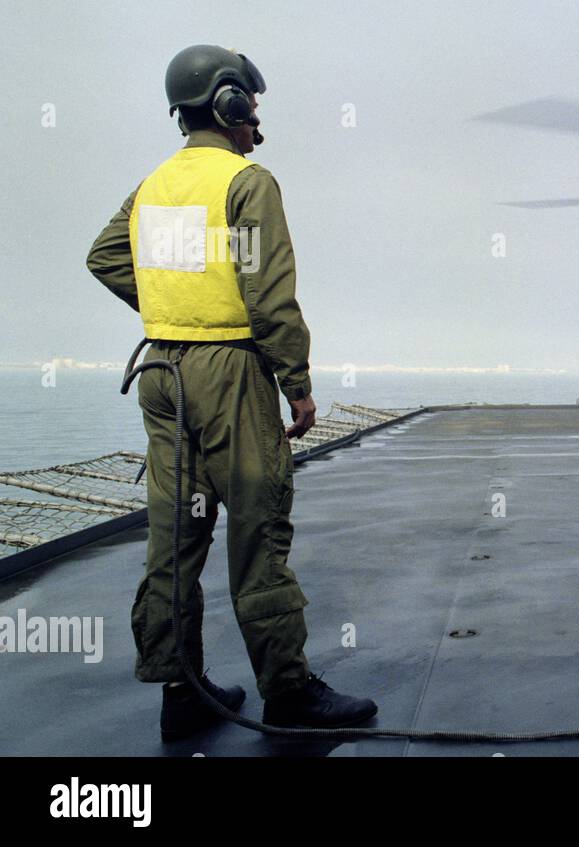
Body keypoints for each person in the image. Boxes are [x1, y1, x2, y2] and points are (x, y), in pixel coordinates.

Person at [86, 44, 377, 741]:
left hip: (161, 375)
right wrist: (297, 385)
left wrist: (171, 308)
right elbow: (268, 295)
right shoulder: (247, 184)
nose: (256, 121)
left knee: (174, 535)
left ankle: (179, 690)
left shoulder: (153, 186)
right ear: (228, 103)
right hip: (229, 377)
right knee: (257, 527)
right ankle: (287, 688)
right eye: (250, 104)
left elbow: (104, 256)